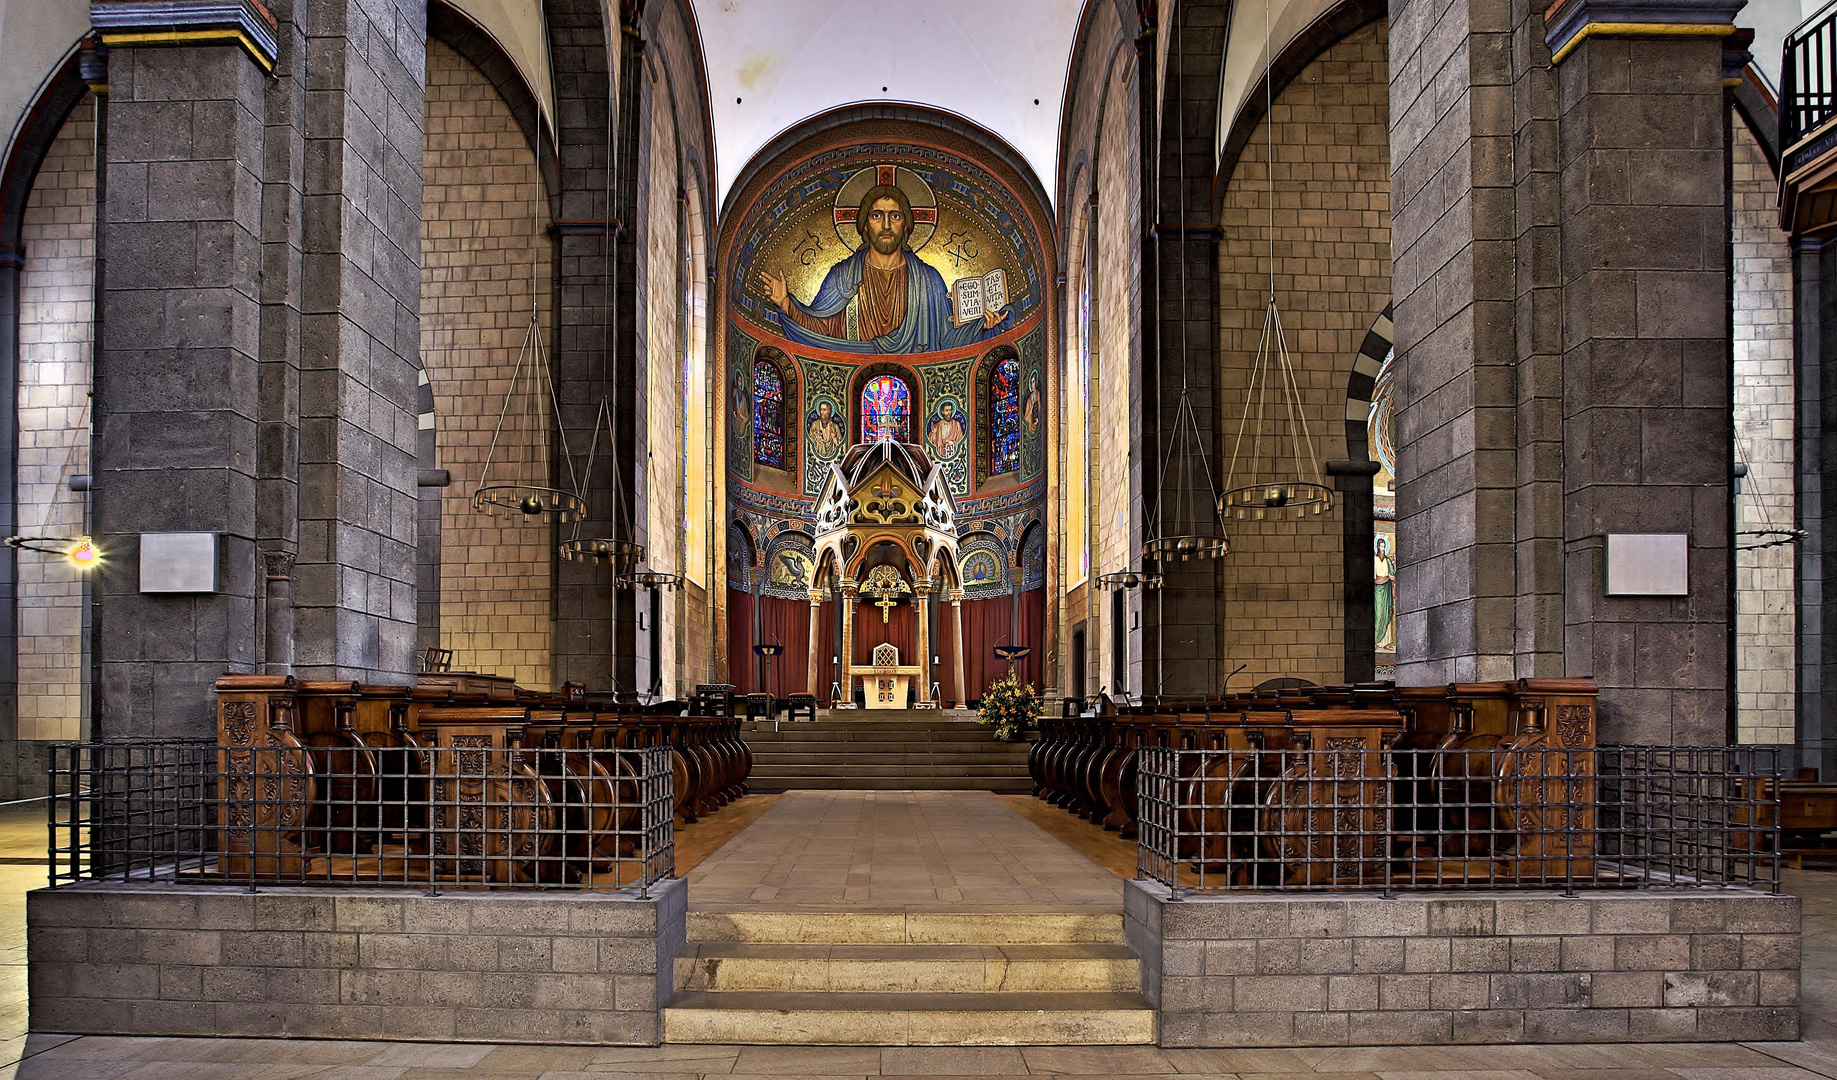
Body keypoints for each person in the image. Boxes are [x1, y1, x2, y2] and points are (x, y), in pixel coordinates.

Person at [758, 184, 1007, 353]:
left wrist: (981, 326)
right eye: (877, 216)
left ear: (906, 225)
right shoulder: (843, 276)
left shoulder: (928, 280)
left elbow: (945, 340)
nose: (886, 225)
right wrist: (787, 305)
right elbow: (822, 330)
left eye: (895, 216)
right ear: (865, 225)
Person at [1374, 536, 1397, 652]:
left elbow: (1392, 574)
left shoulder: (1387, 560)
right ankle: (1376, 641)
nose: (1382, 549)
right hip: (1377, 589)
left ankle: (1386, 642)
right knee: (1378, 615)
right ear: (1377, 547)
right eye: (1381, 547)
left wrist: (1392, 575)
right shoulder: (1374, 560)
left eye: (1384, 547)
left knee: (1388, 613)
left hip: (1387, 589)